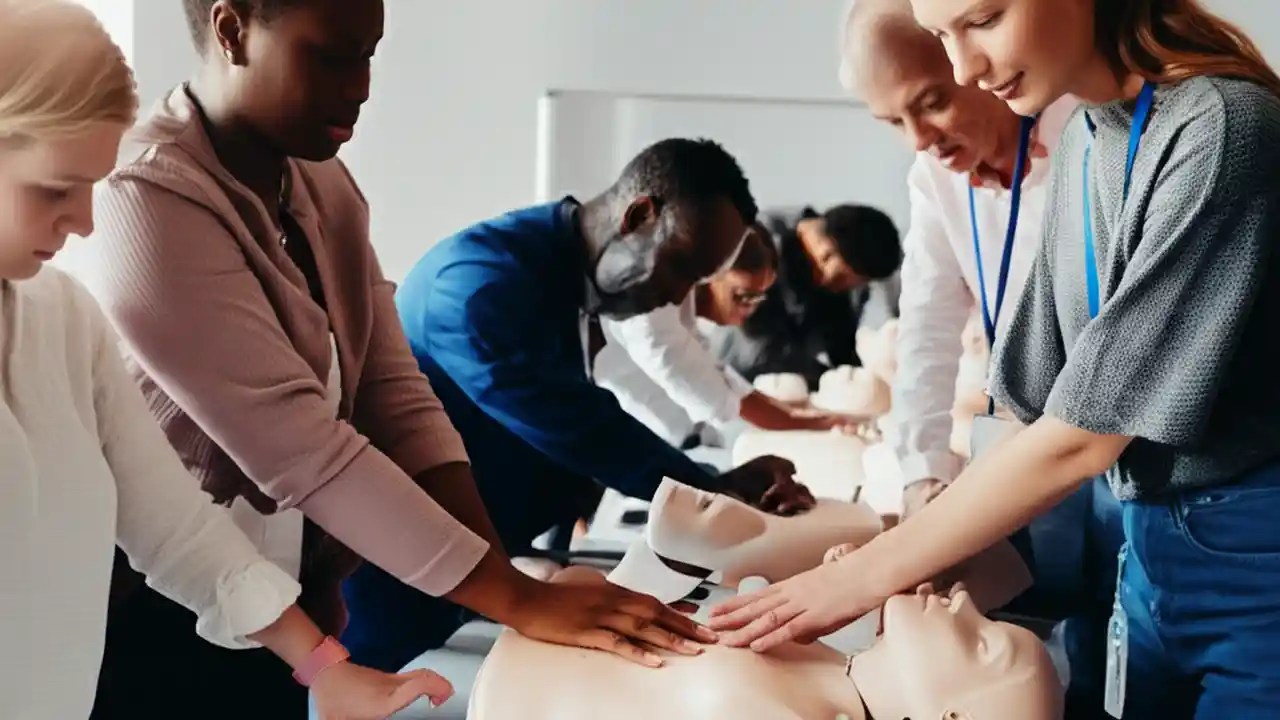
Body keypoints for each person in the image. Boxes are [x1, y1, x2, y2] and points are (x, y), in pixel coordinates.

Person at [68, 1, 713, 715]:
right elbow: (300, 446)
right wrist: (514, 596)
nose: (363, 84)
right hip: (151, 603)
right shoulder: (146, 195)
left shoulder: (319, 183)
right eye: (334, 56)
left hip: (274, 599)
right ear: (232, 30)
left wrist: (508, 581)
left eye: (370, 53)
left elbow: (392, 392)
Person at [713, 0, 1280, 717]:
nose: (964, 67)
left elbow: (1082, 432)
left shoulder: (1223, 129)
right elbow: (1027, 407)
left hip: (1254, 562)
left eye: (982, 20)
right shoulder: (1083, 140)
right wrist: (913, 548)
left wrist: (867, 574)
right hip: (1149, 555)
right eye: (946, 37)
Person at [0, 2, 456, 717]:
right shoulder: (149, 207)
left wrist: (325, 668)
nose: (87, 220)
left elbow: (176, 526)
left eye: (93, 184)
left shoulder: (63, 318)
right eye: (57, 190)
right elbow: (301, 446)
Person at [353, 137, 815, 674]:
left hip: (470, 564)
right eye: (679, 270)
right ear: (639, 216)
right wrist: (709, 492)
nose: (674, 297)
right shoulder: (480, 286)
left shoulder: (561, 278)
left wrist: (715, 488)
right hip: (398, 577)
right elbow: (576, 423)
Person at [841, 2, 1121, 716]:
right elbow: (927, 334)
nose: (919, 139)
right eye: (892, 123)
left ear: (976, 65)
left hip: (1124, 438)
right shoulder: (935, 182)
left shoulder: (1094, 138)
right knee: (1061, 647)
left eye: (930, 103)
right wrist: (921, 482)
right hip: (1033, 448)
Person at [595, 221, 861, 449]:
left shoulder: (680, 314)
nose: (751, 308)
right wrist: (816, 422)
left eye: (759, 297)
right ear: (709, 273)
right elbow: (716, 395)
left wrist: (800, 413)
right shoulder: (651, 304)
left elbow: (717, 376)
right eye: (744, 296)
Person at [706, 204, 903, 389]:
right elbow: (756, 347)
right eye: (841, 279)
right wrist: (829, 381)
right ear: (827, 254)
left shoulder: (841, 280)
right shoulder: (754, 246)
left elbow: (841, 343)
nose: (841, 287)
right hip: (718, 379)